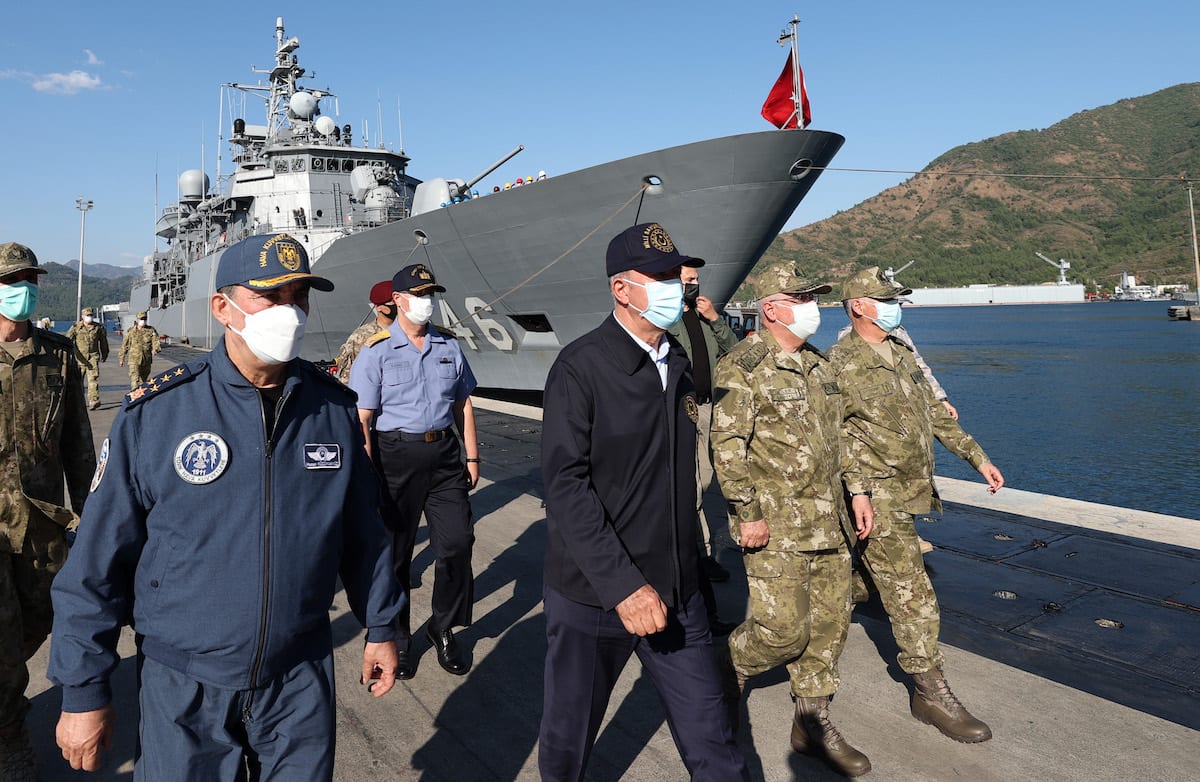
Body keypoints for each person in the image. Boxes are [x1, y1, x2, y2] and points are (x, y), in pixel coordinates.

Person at [49, 233, 404, 777]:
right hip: (184, 685)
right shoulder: (156, 416)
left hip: (298, 677)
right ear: (223, 307)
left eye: (299, 297)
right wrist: (82, 690)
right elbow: (95, 564)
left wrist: (381, 625)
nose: (290, 312)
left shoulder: (331, 409)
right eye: (271, 296)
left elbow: (365, 536)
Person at [539, 222, 747, 781]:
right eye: (654, 276)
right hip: (595, 597)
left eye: (672, 275)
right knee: (568, 742)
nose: (671, 287)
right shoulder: (580, 369)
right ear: (620, 289)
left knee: (715, 739)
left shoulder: (676, 363)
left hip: (679, 591)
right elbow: (565, 487)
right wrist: (623, 586)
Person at [829, 266, 1004, 745]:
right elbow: (836, 436)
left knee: (849, 588)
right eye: (885, 298)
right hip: (874, 492)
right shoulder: (840, 363)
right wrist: (859, 489)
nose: (894, 306)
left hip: (909, 488)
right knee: (913, 591)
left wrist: (977, 457)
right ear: (859, 305)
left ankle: (755, 651)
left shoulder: (901, 351)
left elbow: (933, 413)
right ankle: (929, 692)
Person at [710, 263, 872, 777]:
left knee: (828, 629)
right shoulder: (744, 365)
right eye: (801, 298)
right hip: (775, 524)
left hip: (831, 523)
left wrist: (859, 490)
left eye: (814, 297)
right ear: (773, 308)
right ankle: (726, 670)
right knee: (782, 631)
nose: (812, 307)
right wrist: (746, 514)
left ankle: (812, 723)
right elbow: (728, 447)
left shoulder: (820, 366)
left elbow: (841, 437)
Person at [349, 264, 480, 678]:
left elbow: (463, 404)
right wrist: (369, 472)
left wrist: (472, 457)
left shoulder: (448, 346)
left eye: (432, 294)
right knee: (396, 556)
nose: (429, 302)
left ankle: (442, 628)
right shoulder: (377, 350)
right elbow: (363, 420)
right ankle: (398, 639)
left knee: (457, 545)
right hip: (394, 458)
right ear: (399, 301)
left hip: (443, 456)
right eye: (420, 294)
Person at [0, 242, 95, 779]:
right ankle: (11, 743)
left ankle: (7, 701)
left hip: (42, 531)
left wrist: (94, 522)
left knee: (40, 622)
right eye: (12, 280)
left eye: (29, 279)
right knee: (4, 652)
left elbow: (79, 448)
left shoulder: (59, 355)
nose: (23, 289)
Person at [666, 265, 739, 586]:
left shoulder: (705, 317)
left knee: (706, 481)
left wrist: (714, 320)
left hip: (710, 408)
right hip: (682, 409)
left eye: (695, 281)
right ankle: (700, 555)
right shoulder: (666, 319)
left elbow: (734, 351)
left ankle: (696, 553)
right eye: (687, 281)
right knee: (692, 485)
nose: (693, 286)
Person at [333, 280, 395, 383]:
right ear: (379, 307)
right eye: (392, 301)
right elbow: (347, 379)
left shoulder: (414, 330)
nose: (398, 305)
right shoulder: (360, 338)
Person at [66, 306, 109, 410]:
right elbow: (67, 339)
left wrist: (105, 354)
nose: (89, 317)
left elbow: (103, 342)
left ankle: (93, 400)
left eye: (91, 315)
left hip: (92, 358)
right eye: (87, 315)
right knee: (77, 381)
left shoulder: (98, 328)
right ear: (82, 316)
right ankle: (78, 402)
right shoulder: (76, 327)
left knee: (93, 379)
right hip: (79, 358)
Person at [118, 310, 160, 388]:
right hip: (134, 360)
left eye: (144, 319)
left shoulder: (151, 330)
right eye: (141, 319)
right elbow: (125, 345)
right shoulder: (131, 332)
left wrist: (155, 349)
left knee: (144, 380)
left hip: (146, 359)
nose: (143, 321)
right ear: (137, 320)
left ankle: (142, 397)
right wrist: (121, 358)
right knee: (135, 380)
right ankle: (135, 397)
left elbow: (156, 340)